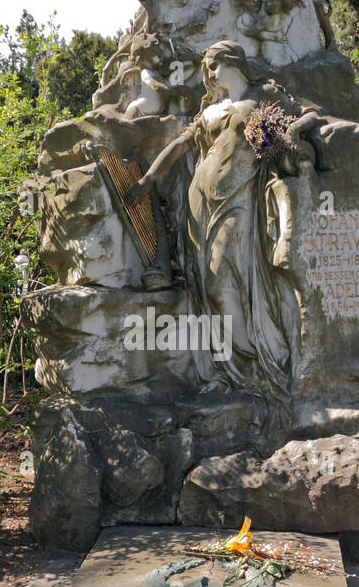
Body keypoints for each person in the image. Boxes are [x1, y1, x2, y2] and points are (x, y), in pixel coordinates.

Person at [128, 40, 324, 398]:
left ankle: (251, 370)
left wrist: (292, 134)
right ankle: (222, 374)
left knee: (223, 286)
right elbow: (181, 145)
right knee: (205, 288)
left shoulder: (263, 96)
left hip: (237, 202)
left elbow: (313, 115)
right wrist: (148, 178)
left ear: (232, 62)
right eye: (207, 68)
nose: (210, 74)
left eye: (214, 65)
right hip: (198, 206)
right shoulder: (213, 108)